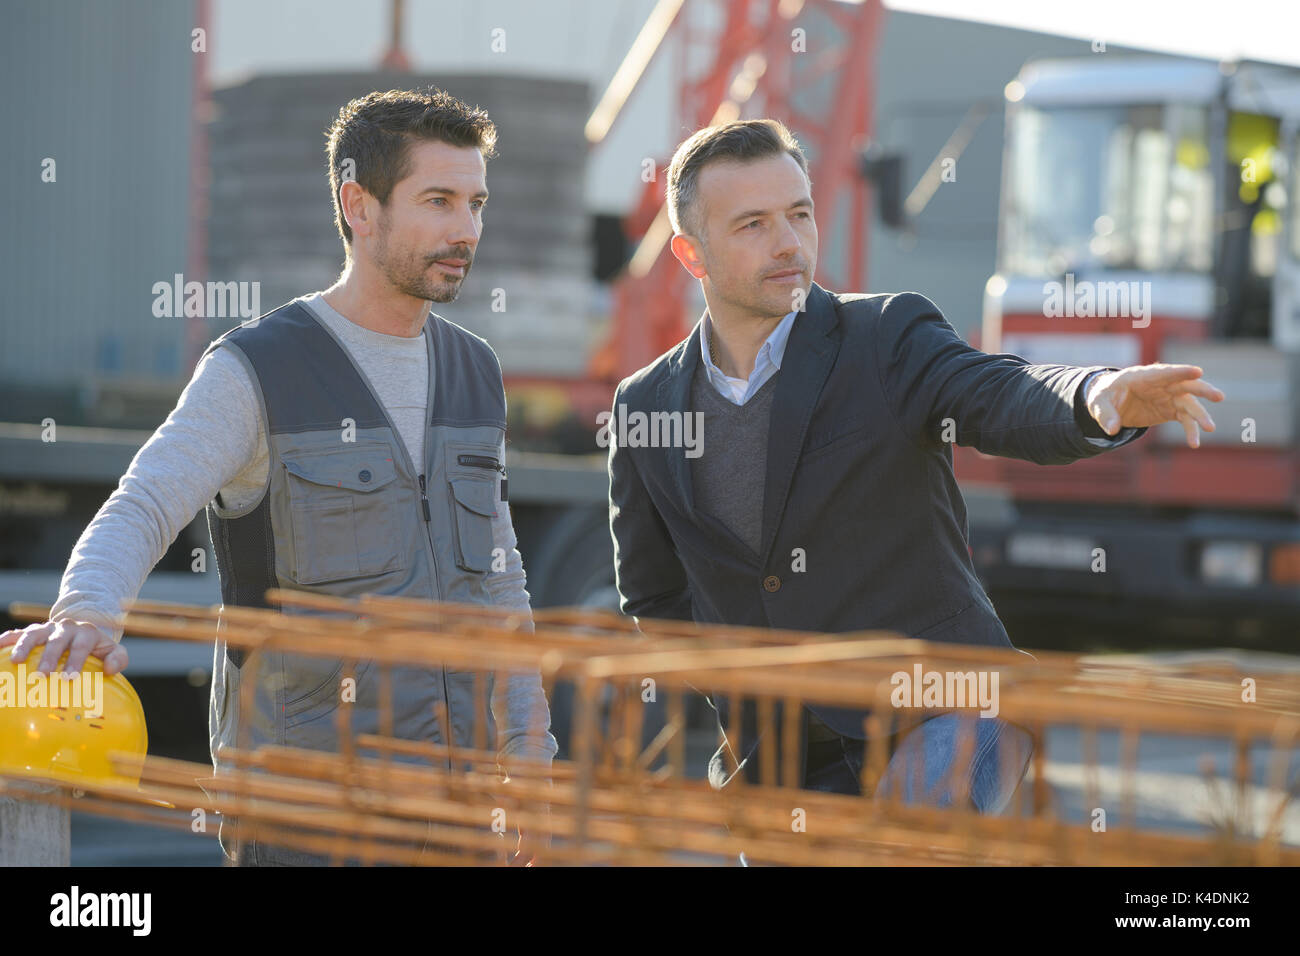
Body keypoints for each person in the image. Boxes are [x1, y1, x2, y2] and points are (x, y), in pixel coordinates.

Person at [605, 119, 1223, 828]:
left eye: (799, 214)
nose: (789, 243)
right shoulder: (645, 405)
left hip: (950, 708)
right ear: (692, 254)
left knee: (904, 839)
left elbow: (996, 390)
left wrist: (1094, 397)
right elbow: (654, 597)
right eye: (752, 224)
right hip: (773, 759)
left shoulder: (885, 337)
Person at [0, 88, 556, 866]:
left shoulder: (476, 370)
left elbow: (499, 583)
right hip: (308, 819)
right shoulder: (257, 369)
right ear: (358, 206)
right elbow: (147, 499)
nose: (466, 230)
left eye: (476, 202)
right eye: (438, 200)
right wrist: (86, 611)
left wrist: (529, 752)